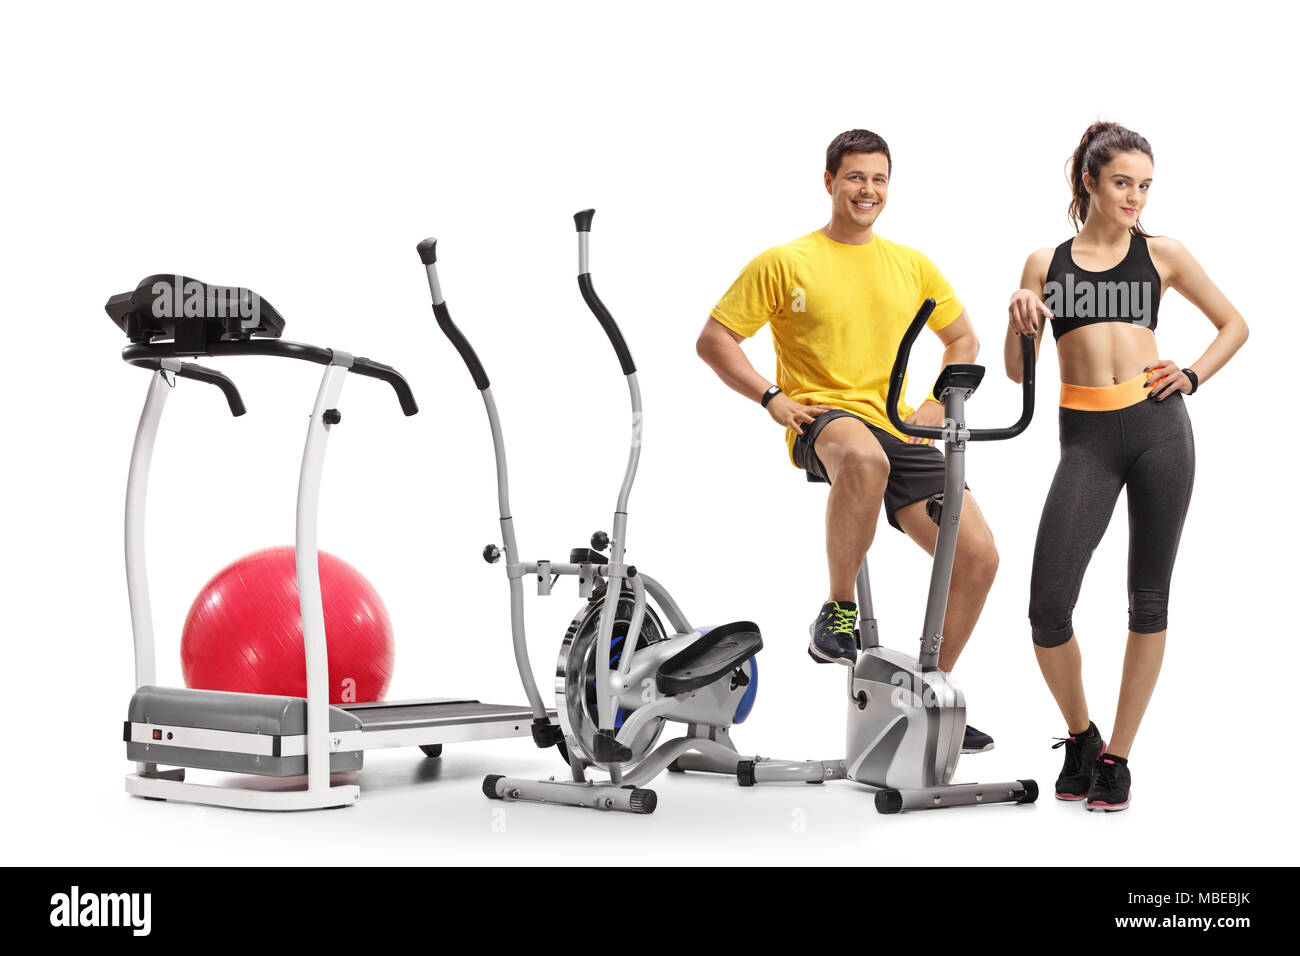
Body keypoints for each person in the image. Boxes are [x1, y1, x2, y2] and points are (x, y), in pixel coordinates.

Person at [697, 128, 1000, 755]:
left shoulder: (911, 264)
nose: (869, 190)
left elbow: (964, 340)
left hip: (900, 426)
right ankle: (838, 613)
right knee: (861, 456)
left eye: (879, 179)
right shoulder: (785, 262)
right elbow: (716, 339)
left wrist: (932, 404)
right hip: (825, 418)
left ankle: (926, 695)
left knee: (978, 556)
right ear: (830, 180)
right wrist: (770, 397)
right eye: (856, 177)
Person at [1005, 121, 1248, 811]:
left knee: (1148, 598)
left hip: (1159, 430)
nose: (1135, 197)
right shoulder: (1043, 263)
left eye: (1144, 186)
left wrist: (1193, 375)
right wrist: (1020, 317)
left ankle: (1117, 759)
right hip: (1085, 438)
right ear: (1089, 180)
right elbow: (1013, 368)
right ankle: (1081, 735)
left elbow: (1235, 323)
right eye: (1122, 184)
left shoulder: (1164, 253)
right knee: (1047, 606)